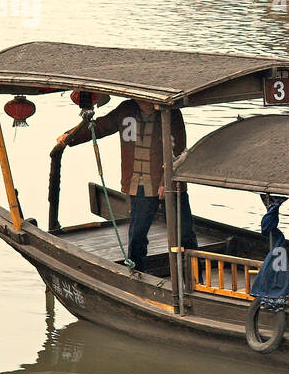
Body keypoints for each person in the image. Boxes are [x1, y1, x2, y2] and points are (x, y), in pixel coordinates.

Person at [56, 99, 198, 271]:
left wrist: (165, 182)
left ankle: (194, 276)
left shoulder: (171, 114)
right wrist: (70, 136)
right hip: (138, 184)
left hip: (170, 185)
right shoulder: (126, 109)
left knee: (184, 233)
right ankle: (136, 273)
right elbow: (100, 126)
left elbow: (178, 151)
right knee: (137, 234)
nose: (146, 103)